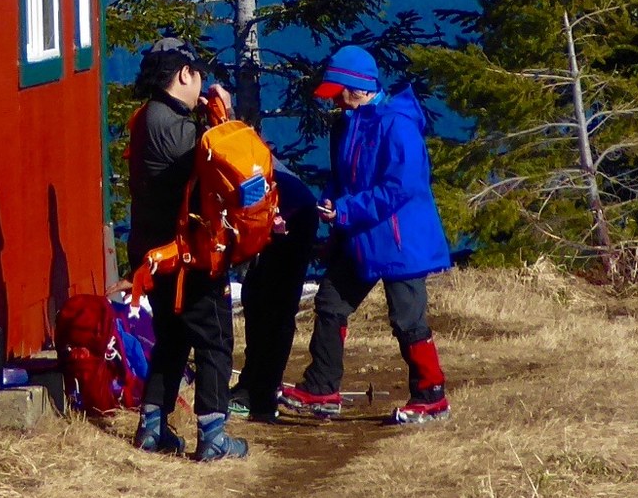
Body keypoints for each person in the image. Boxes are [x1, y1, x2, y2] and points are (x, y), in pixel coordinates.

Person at [280, 44, 454, 424]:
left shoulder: (398, 124)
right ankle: (321, 387)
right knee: (330, 304)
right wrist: (331, 201)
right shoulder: (348, 123)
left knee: (407, 320)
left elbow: (400, 188)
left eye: (338, 93)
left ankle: (431, 395)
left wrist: (344, 210)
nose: (336, 102)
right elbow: (342, 176)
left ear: (357, 87)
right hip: (360, 233)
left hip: (398, 240)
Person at [125, 38, 249, 462]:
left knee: (172, 340)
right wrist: (224, 116)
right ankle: (214, 435)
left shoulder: (149, 117)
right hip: (188, 259)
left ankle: (152, 427)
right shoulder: (173, 126)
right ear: (184, 74)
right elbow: (220, 160)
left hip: (153, 254)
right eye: (198, 74)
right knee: (214, 339)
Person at [230, 165, 320, 421]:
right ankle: (253, 385)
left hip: (292, 214)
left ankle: (263, 394)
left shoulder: (227, 157)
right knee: (255, 296)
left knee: (276, 306)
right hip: (276, 211)